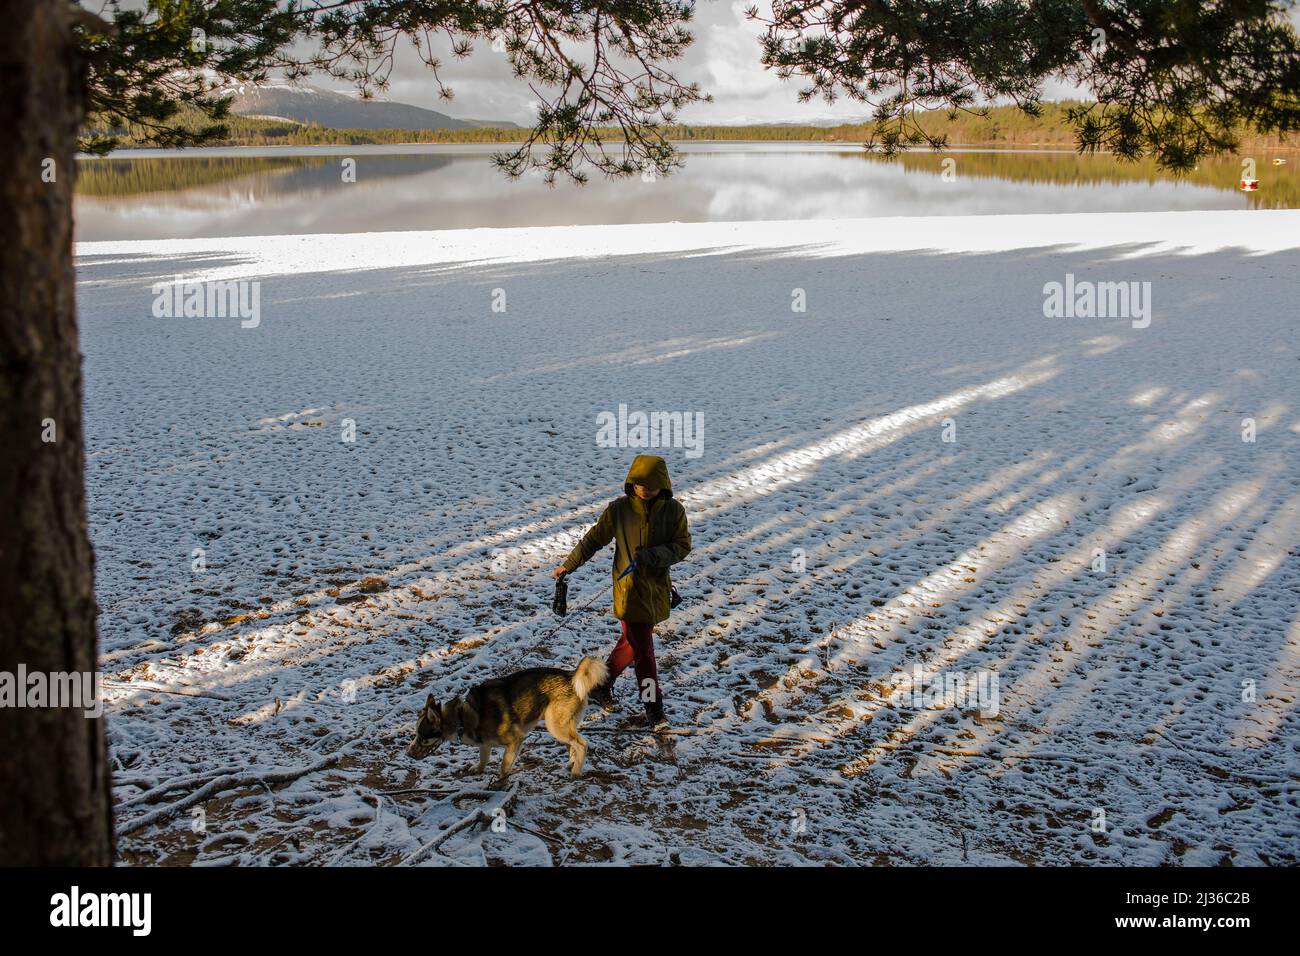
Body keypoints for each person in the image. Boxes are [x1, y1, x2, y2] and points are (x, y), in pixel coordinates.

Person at [553, 454, 691, 729]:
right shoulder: (619, 510)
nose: (643, 489)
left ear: (662, 485)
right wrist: (569, 564)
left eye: (650, 485)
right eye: (638, 484)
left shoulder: (674, 511)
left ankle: (601, 685)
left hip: (656, 590)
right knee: (645, 654)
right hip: (628, 592)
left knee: (632, 643)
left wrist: (653, 556)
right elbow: (593, 539)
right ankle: (654, 709)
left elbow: (682, 546)